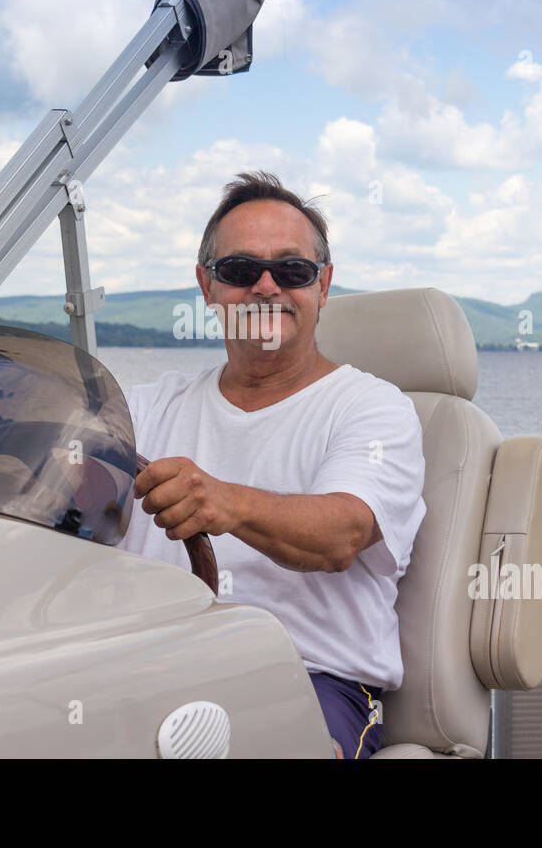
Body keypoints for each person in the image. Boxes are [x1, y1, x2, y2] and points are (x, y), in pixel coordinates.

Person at [119, 171, 427, 758]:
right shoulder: (142, 407)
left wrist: (227, 502)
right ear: (207, 286)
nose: (266, 287)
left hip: (309, 680)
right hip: (143, 672)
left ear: (323, 286)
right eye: (239, 271)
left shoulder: (374, 408)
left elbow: (342, 534)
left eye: (291, 270)